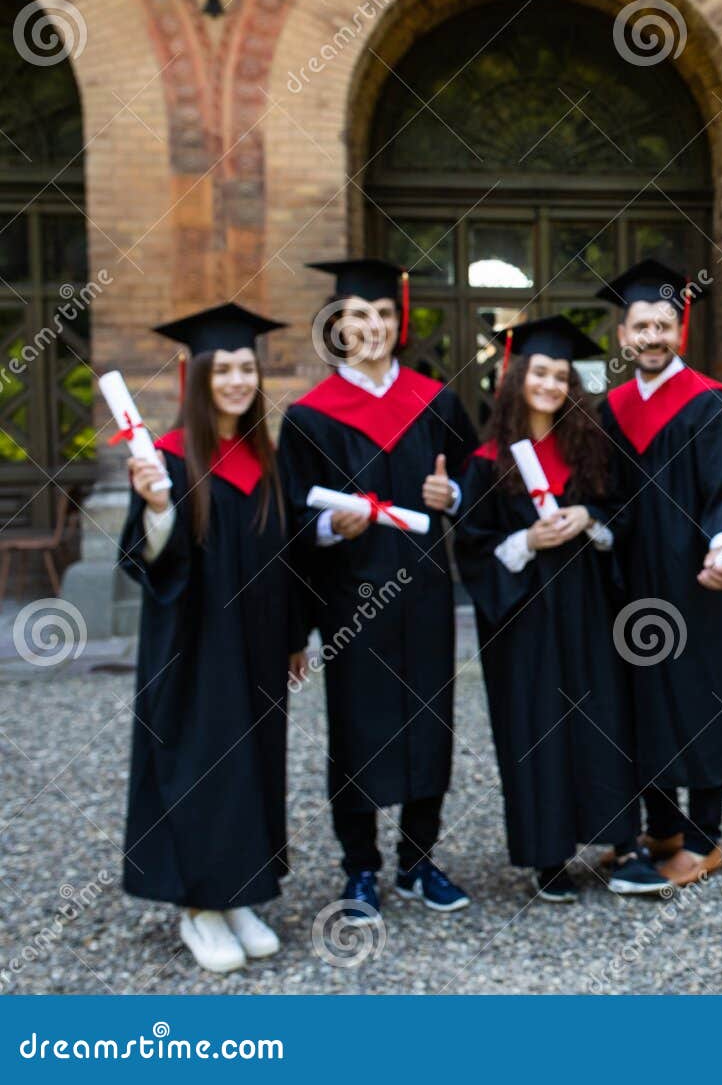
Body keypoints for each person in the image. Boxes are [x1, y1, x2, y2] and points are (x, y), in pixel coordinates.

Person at [277, 259, 478, 923]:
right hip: (351, 598)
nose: (373, 327)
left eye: (385, 315)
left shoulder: (435, 401)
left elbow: (477, 479)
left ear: (400, 322)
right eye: (360, 315)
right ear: (338, 325)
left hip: (423, 592)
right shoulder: (309, 418)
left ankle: (418, 859)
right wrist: (331, 525)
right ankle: (360, 866)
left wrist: (451, 494)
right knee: (358, 729)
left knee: (430, 723)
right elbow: (286, 520)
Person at [454, 316, 672, 902]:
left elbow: (626, 511)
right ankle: (548, 856)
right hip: (522, 621)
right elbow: (470, 546)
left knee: (606, 719)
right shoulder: (486, 461)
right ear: (517, 378)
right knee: (535, 729)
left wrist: (589, 520)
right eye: (540, 373)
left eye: (560, 375)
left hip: (591, 610)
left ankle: (624, 848)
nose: (550, 384)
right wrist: (528, 541)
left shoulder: (593, 445)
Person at [118, 303, 307, 974]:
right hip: (192, 650)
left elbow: (287, 559)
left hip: (257, 649)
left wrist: (292, 636)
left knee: (253, 762)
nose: (235, 379)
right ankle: (197, 904)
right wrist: (160, 508)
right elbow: (145, 559)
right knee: (200, 763)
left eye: (245, 367)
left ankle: (237, 892)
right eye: (221, 368)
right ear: (196, 378)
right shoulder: (166, 458)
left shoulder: (266, 457)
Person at [597, 259, 722, 885]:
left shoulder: (708, 405)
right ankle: (661, 824)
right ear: (623, 336)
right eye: (641, 325)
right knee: (642, 699)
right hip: (631, 582)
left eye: (663, 325)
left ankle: (705, 836)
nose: (652, 336)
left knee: (701, 694)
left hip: (699, 583)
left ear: (681, 330)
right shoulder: (608, 411)